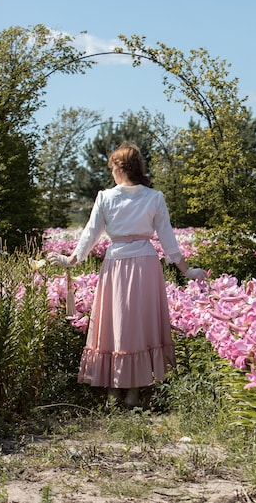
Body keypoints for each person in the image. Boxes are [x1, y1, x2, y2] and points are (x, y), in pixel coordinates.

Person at [47, 142, 207, 408]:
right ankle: (132, 390)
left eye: (112, 168)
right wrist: (187, 271)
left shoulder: (106, 197)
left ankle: (114, 389)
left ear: (119, 168)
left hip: (117, 263)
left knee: (116, 324)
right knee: (139, 325)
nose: (111, 173)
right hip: (144, 262)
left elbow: (90, 233)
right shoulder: (154, 197)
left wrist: (72, 260)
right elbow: (168, 241)